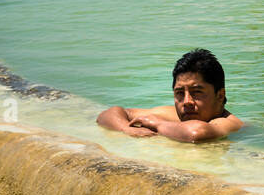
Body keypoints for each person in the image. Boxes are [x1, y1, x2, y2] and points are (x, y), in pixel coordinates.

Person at [96, 48, 244, 144]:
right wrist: (125, 128)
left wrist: (157, 124)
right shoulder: (175, 115)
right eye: (180, 93)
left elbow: (196, 133)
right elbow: (109, 114)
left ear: (220, 95)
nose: (187, 102)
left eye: (197, 92)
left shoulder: (229, 123)